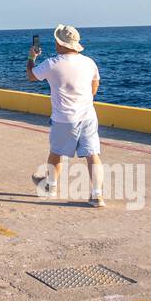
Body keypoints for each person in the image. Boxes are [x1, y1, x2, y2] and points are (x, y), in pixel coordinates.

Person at [27, 23, 105, 207]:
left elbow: (31, 76)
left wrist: (32, 57)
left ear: (61, 44)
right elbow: (94, 89)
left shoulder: (52, 63)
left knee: (56, 154)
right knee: (92, 155)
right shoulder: (89, 62)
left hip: (64, 118)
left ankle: (51, 187)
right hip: (88, 116)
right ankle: (97, 196)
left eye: (56, 40)